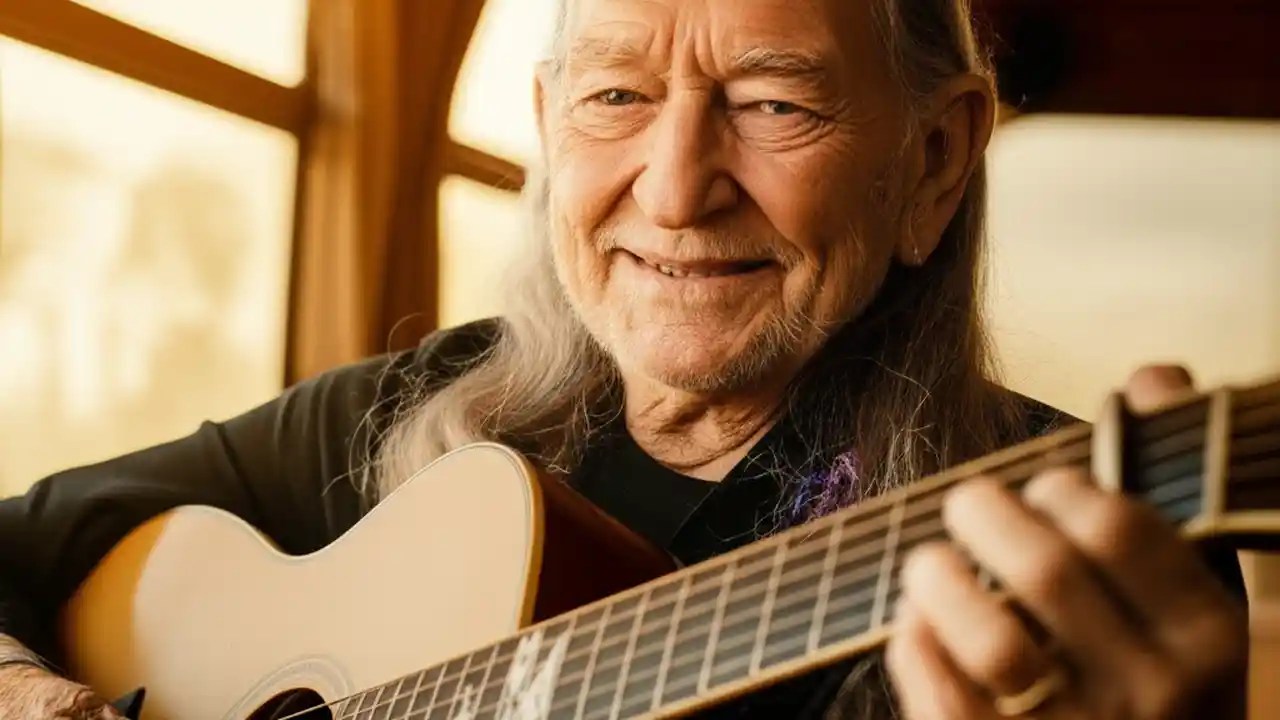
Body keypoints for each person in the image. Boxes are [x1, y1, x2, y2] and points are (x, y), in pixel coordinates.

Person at [0, 0, 1249, 718]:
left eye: (771, 102)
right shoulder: (403, 407)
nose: (673, 189)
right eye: (615, 98)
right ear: (549, 126)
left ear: (932, 161)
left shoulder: (1086, 536)